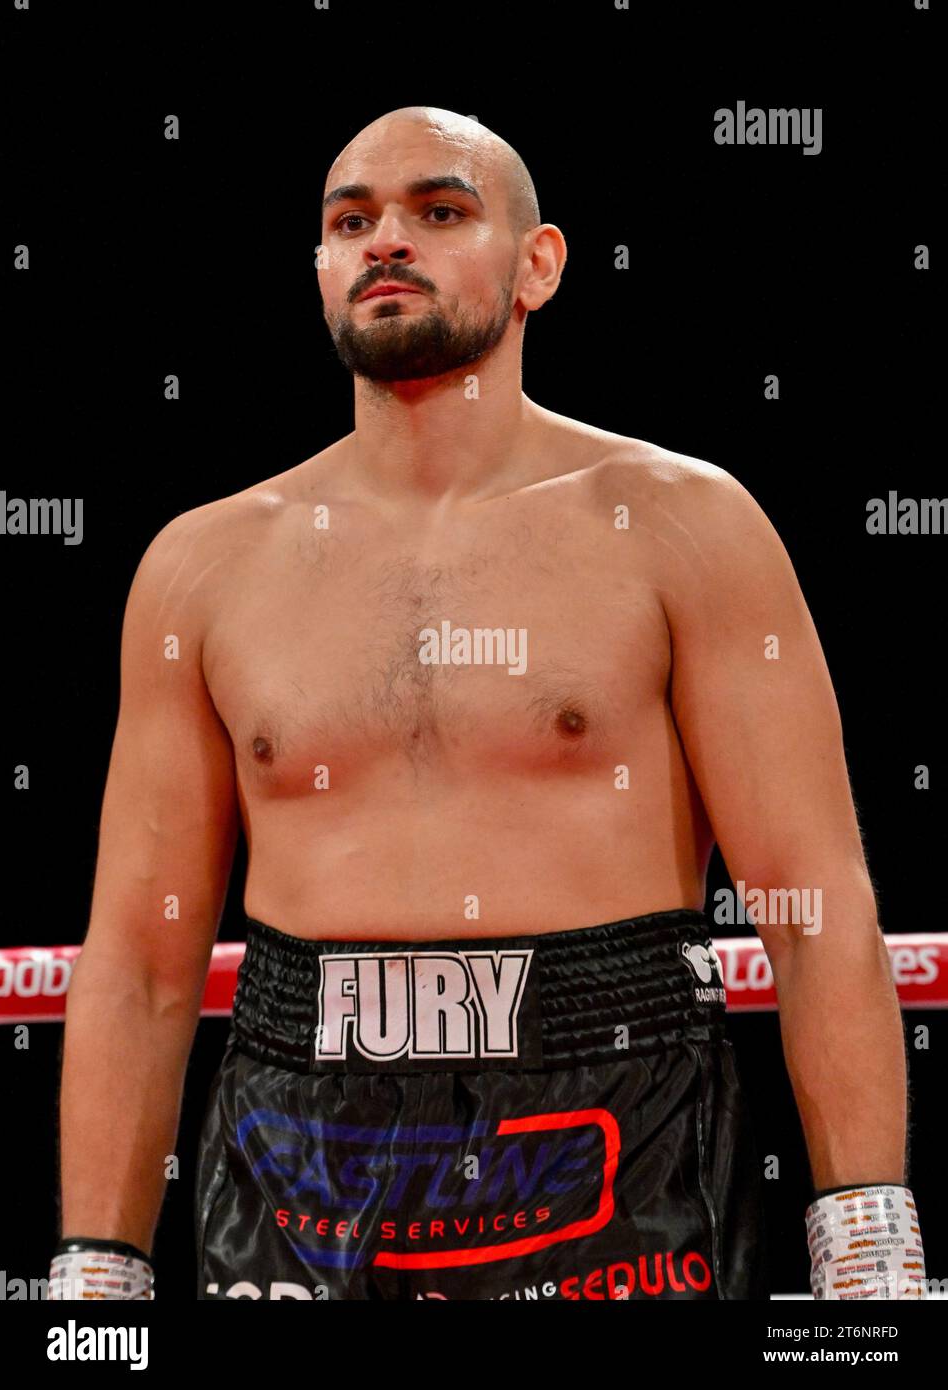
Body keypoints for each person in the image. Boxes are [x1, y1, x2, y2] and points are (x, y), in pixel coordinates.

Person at [51, 106, 924, 1301]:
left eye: (439, 210)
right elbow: (142, 963)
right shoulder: (203, 565)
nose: (385, 241)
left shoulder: (684, 524)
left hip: (618, 1125)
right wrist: (95, 1282)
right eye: (350, 221)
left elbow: (814, 905)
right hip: (297, 1153)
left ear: (539, 265)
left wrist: (872, 1260)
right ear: (319, 267)